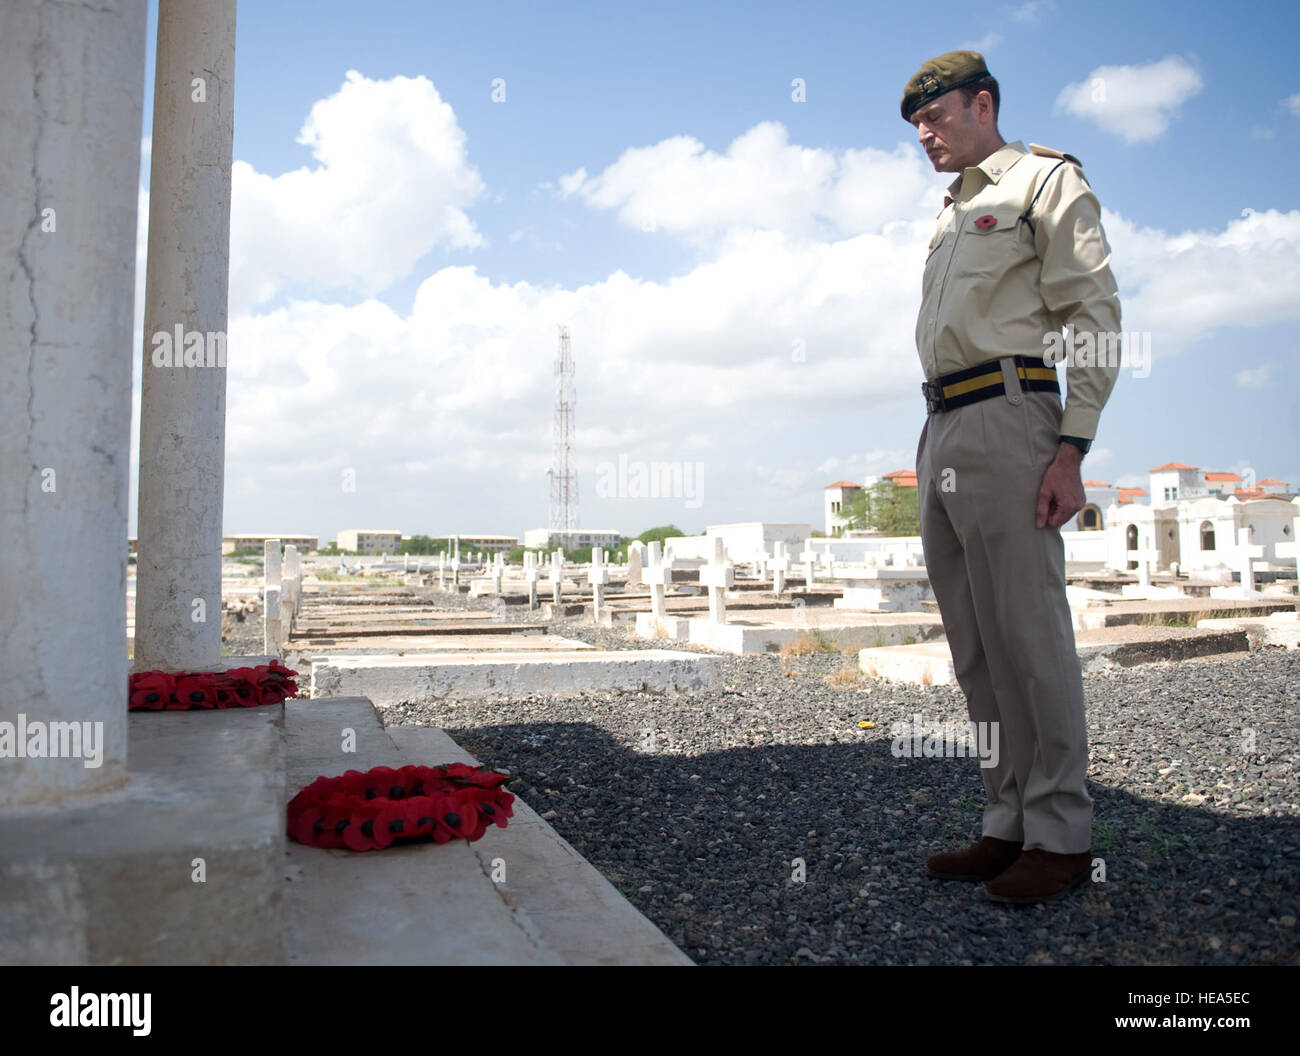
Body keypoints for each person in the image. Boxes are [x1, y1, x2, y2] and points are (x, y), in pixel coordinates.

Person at [902, 50, 1121, 903]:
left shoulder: (1043, 183)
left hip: (1011, 416)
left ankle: (1061, 834)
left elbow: (1093, 316)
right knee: (976, 646)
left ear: (983, 104)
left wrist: (1073, 446)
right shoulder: (951, 212)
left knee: (1029, 636)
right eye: (915, 124)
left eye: (937, 116)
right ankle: (1007, 821)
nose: (924, 134)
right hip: (943, 423)